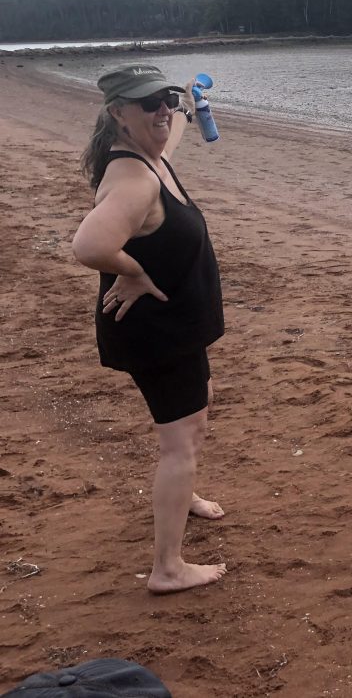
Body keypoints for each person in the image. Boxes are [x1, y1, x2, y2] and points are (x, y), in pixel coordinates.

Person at [71, 63, 227, 593]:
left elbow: (175, 126)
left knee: (197, 411)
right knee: (180, 440)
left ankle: (185, 496)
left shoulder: (149, 154)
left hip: (177, 325)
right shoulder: (134, 180)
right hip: (156, 333)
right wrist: (134, 272)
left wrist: (192, 99)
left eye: (167, 99)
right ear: (118, 113)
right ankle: (168, 568)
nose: (162, 110)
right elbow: (88, 247)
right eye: (148, 103)